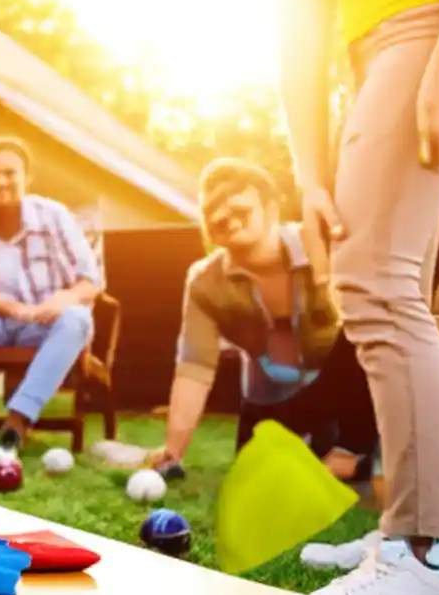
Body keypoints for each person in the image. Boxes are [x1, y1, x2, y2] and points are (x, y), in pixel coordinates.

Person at [267, 0, 439, 595]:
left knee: (375, 285)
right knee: (394, 291)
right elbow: (301, 29)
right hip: (375, 59)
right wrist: (309, 179)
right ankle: (401, 529)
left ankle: (427, 550)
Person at [143, 158, 379, 483]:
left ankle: (352, 450)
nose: (226, 218)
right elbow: (195, 367)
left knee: (359, 333)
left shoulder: (318, 242)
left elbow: (368, 327)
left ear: (270, 207)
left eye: (240, 208)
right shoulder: (205, 282)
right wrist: (174, 450)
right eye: (215, 211)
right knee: (256, 473)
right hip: (270, 399)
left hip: (338, 389)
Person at [0, 136, 102, 460]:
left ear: (27, 177)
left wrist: (60, 300)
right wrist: (1, 304)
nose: (1, 181)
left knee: (78, 318)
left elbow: (90, 282)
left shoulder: (53, 216)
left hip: (41, 321)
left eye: (10, 173)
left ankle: (15, 425)